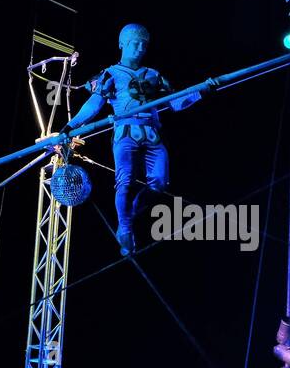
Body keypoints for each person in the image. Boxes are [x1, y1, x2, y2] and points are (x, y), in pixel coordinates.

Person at [63, 23, 208, 256]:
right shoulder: (110, 74)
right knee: (125, 181)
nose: (140, 48)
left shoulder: (154, 75)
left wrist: (201, 91)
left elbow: (176, 103)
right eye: (134, 43)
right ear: (122, 44)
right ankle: (126, 226)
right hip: (126, 132)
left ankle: (129, 213)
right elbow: (94, 104)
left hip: (152, 133)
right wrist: (70, 126)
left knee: (160, 183)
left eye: (144, 44)